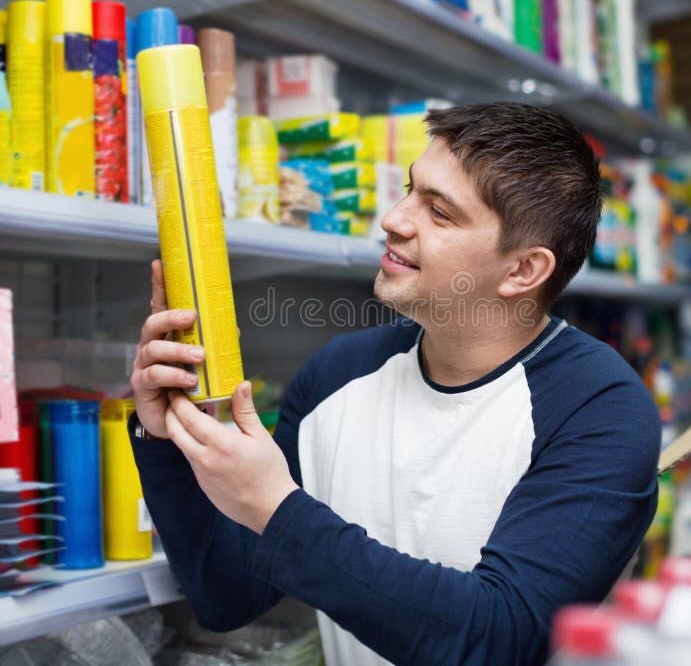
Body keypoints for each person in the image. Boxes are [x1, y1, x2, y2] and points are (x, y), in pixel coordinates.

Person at [129, 103, 661, 666]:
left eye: (440, 213)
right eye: (411, 189)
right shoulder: (338, 374)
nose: (395, 218)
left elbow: (499, 637)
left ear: (522, 271)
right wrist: (169, 439)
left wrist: (276, 508)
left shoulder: (599, 410)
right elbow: (227, 595)